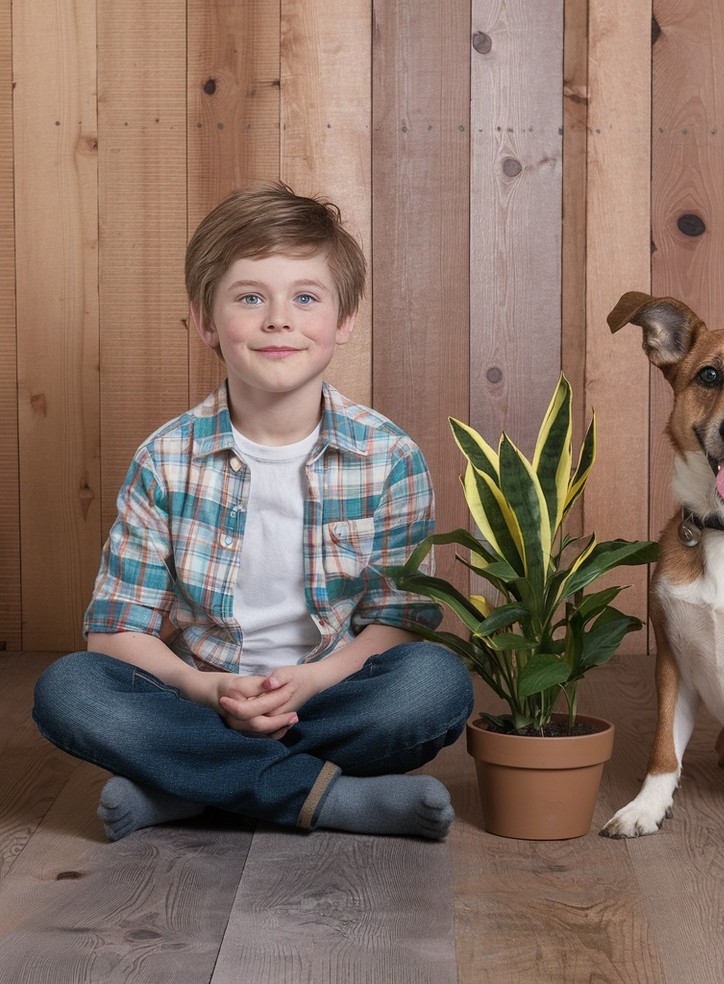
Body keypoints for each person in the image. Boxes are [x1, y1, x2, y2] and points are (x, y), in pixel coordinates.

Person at [33, 182, 474, 842]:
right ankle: (328, 800)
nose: (278, 319)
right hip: (200, 704)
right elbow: (115, 631)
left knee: (434, 684)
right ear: (207, 321)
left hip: (330, 699)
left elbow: (398, 623)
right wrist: (205, 690)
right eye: (249, 297)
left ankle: (188, 789)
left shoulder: (388, 456)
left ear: (344, 318)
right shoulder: (167, 459)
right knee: (69, 689)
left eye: (305, 296)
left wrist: (313, 679)